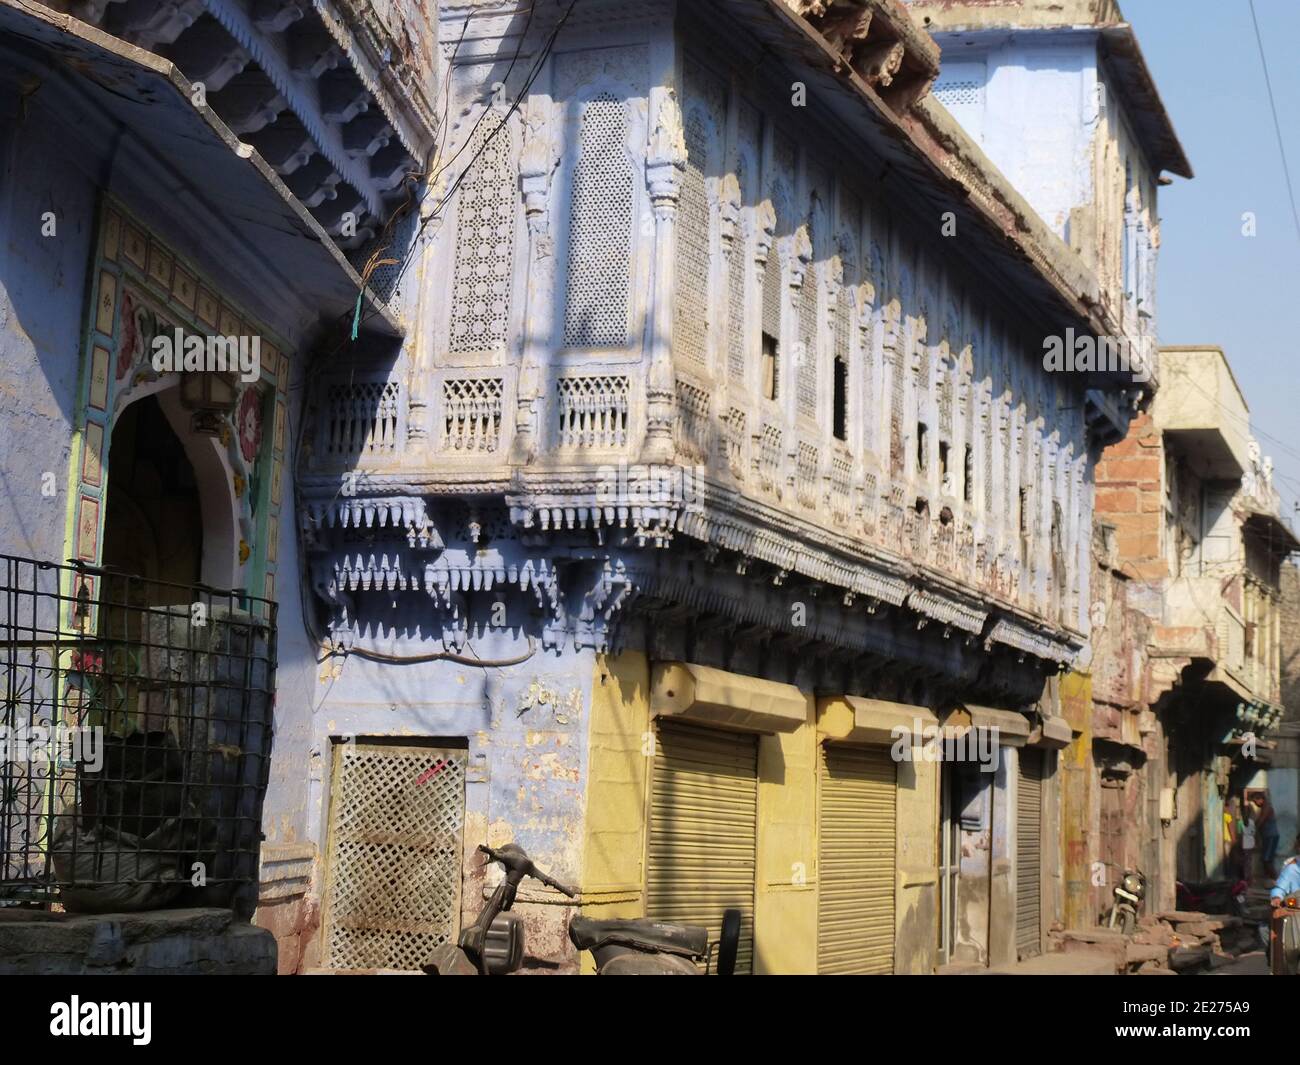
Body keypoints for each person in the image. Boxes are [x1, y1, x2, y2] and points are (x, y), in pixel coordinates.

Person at [1254, 793, 1280, 879]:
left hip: (1271, 836)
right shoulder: (1263, 809)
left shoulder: (1267, 807)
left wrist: (1255, 829)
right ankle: (1269, 879)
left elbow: (1261, 821)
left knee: (1267, 859)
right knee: (1265, 860)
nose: (1255, 803)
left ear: (1261, 799)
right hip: (1267, 837)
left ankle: (1276, 880)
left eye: (1255, 801)